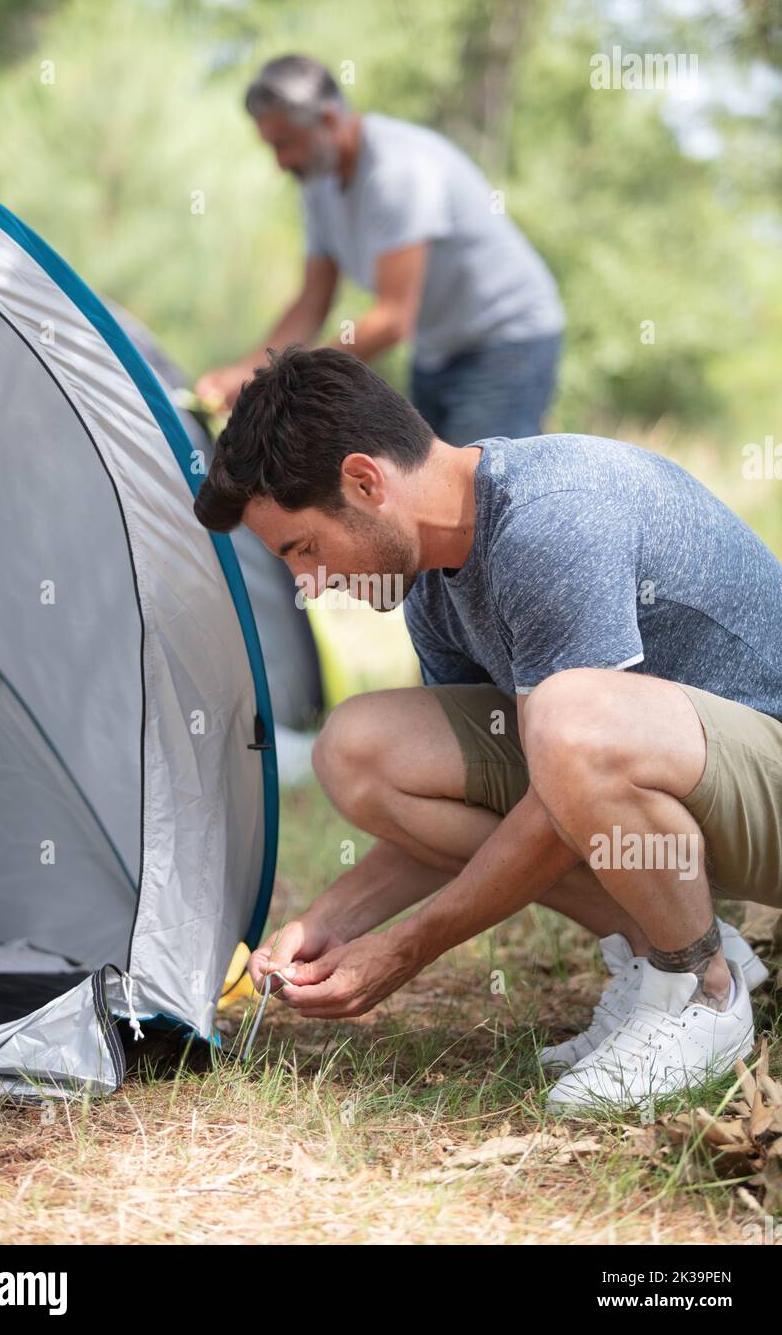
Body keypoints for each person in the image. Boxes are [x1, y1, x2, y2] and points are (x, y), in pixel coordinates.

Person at [194, 345, 782, 1115]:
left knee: (572, 719)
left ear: (365, 482)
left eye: (303, 549)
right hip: (687, 792)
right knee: (361, 748)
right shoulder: (434, 583)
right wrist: (332, 921)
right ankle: (663, 951)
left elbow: (566, 775)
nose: (310, 582)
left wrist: (408, 947)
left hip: (764, 781)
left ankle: (702, 990)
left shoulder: (549, 518)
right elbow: (506, 804)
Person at [196, 54, 564, 445]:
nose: (280, 163)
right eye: (272, 147)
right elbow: (311, 303)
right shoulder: (317, 183)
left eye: (285, 145)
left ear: (328, 120)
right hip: (436, 348)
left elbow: (392, 319)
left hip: (507, 338)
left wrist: (288, 383)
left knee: (481, 487)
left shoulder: (396, 171)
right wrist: (247, 375)